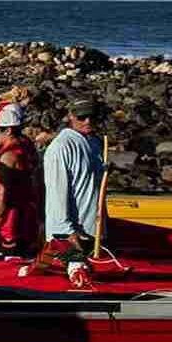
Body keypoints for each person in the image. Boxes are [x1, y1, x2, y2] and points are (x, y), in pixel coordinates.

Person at [37, 94, 110, 264]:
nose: (87, 121)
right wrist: (66, 234)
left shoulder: (95, 143)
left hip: (95, 235)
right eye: (81, 117)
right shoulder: (60, 147)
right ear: (70, 116)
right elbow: (56, 195)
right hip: (70, 238)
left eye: (92, 117)